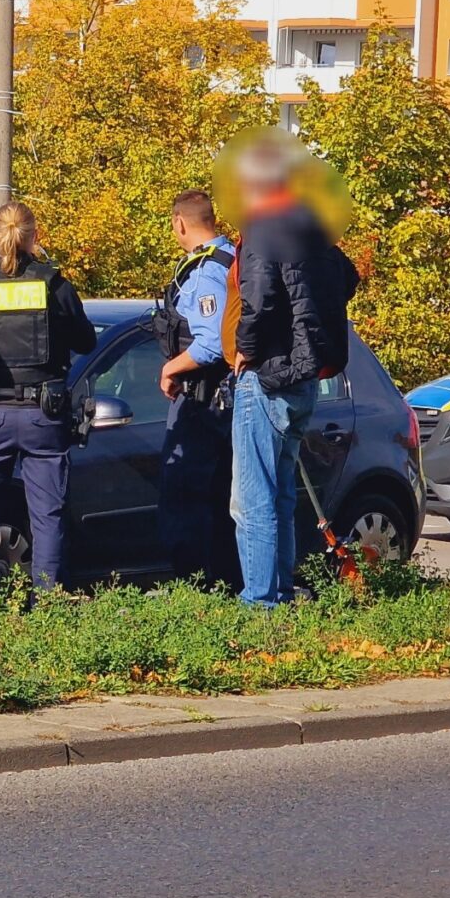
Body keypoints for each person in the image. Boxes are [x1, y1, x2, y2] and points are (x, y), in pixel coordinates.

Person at [225, 140, 359, 607]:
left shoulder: (263, 228)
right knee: (280, 492)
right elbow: (349, 279)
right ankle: (279, 591)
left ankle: (260, 603)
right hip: (306, 376)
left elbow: (259, 298)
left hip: (268, 376)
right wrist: (310, 336)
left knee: (254, 498)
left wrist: (246, 348)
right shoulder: (314, 228)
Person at [0, 202, 98, 589]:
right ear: (35, 235)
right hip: (42, 415)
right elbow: (86, 340)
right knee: (46, 515)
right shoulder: (54, 284)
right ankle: (46, 604)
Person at [152, 190, 240, 589]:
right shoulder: (232, 258)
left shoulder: (206, 272)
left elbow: (209, 343)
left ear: (180, 223)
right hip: (226, 401)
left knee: (187, 498)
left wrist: (171, 369)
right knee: (221, 498)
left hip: (205, 401)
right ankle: (222, 583)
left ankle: (197, 590)